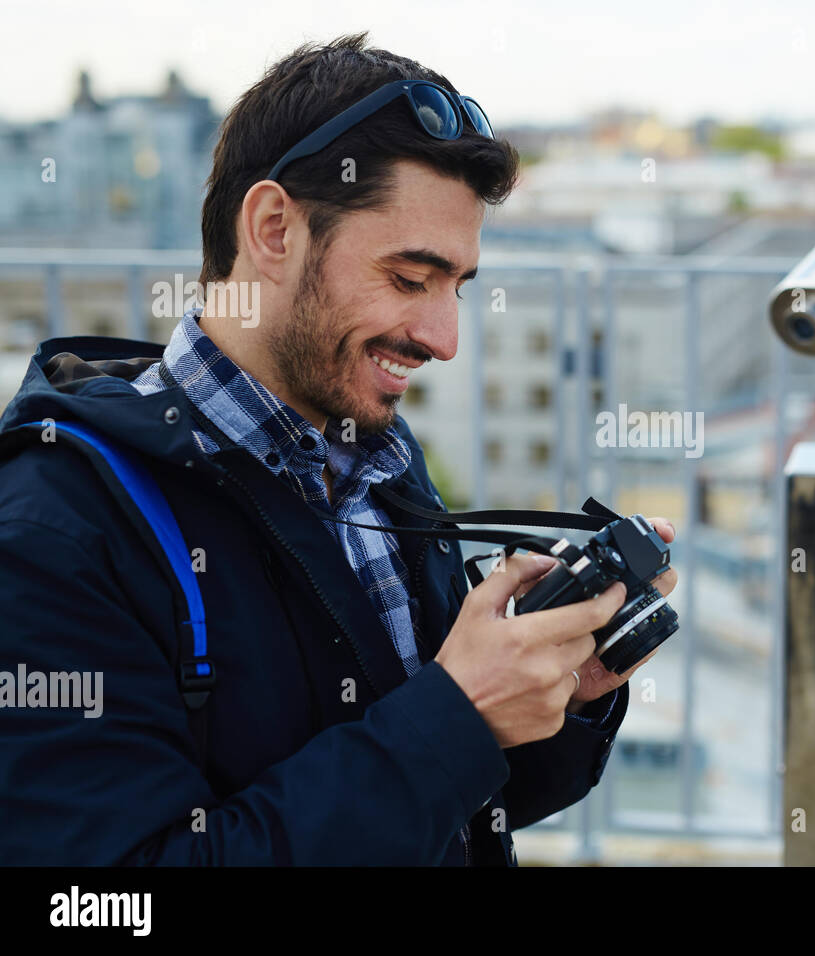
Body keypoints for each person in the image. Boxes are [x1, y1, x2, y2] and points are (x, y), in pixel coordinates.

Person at [0, 33, 675, 865]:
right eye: (407, 277)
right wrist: (453, 717)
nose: (444, 338)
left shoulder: (379, 462)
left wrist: (553, 696)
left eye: (457, 286)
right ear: (275, 229)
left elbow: (452, 811)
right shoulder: (54, 531)